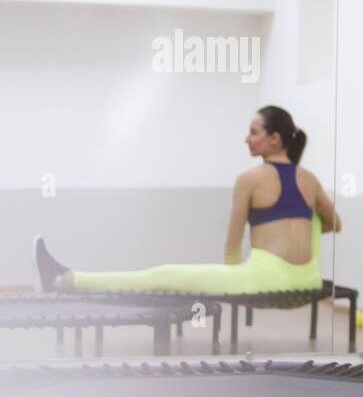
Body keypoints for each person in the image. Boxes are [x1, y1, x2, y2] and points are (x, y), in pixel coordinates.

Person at [33, 106, 341, 295]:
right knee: (312, 215)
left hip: (265, 279)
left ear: (274, 139)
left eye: (253, 132)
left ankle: (67, 279)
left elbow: (231, 252)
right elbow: (335, 224)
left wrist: (236, 276)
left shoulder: (250, 179)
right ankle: (66, 278)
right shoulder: (310, 179)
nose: (246, 139)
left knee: (164, 275)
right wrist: (299, 229)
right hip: (306, 280)